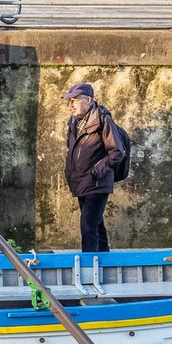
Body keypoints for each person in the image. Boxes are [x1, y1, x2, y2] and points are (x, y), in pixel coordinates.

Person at [62, 82, 125, 253]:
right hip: (82, 182)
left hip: (96, 183)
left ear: (88, 100)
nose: (71, 105)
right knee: (96, 225)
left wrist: (96, 171)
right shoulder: (74, 122)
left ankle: (90, 268)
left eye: (74, 100)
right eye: (70, 101)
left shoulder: (103, 120)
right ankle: (105, 263)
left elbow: (117, 152)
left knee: (88, 226)